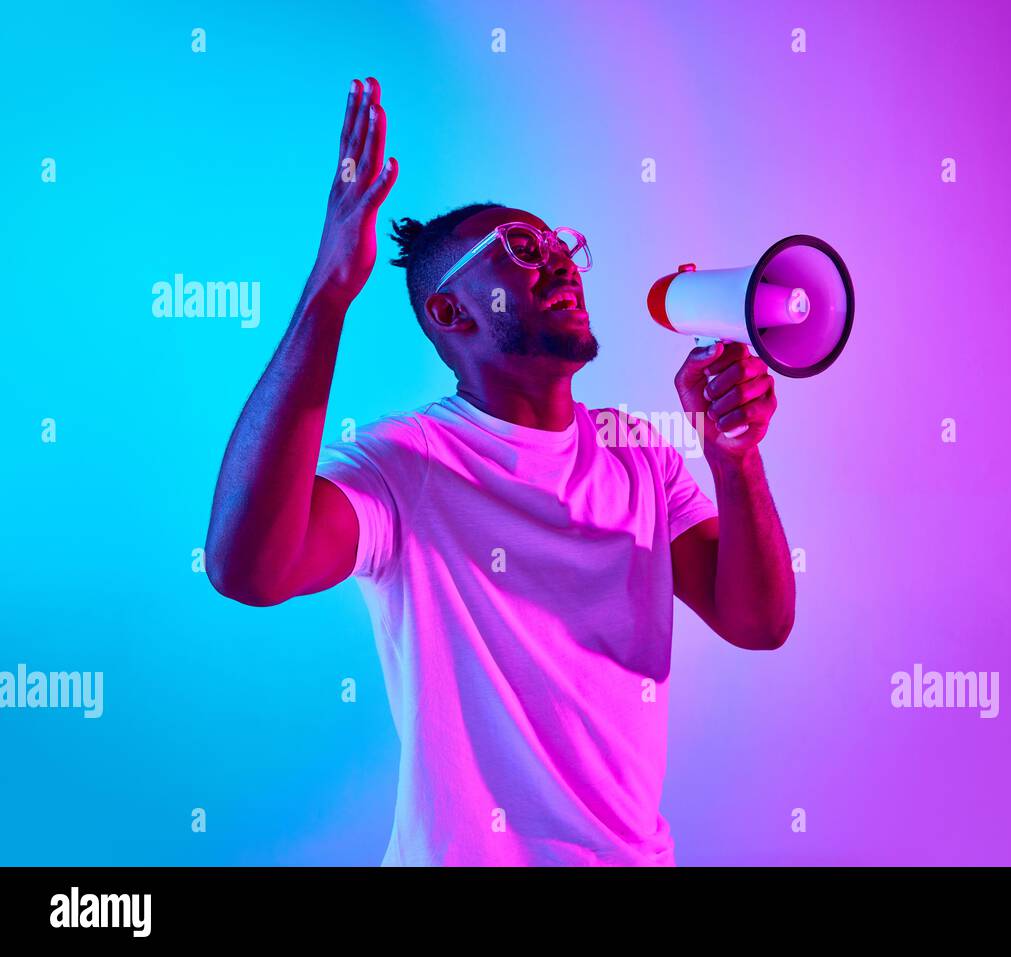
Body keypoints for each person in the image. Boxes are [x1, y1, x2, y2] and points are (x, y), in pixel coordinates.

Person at [204, 77, 796, 866]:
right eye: (522, 251)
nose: (561, 264)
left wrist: (735, 459)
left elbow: (759, 621)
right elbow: (247, 568)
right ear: (451, 313)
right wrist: (328, 292)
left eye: (562, 248)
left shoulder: (640, 454)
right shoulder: (404, 466)